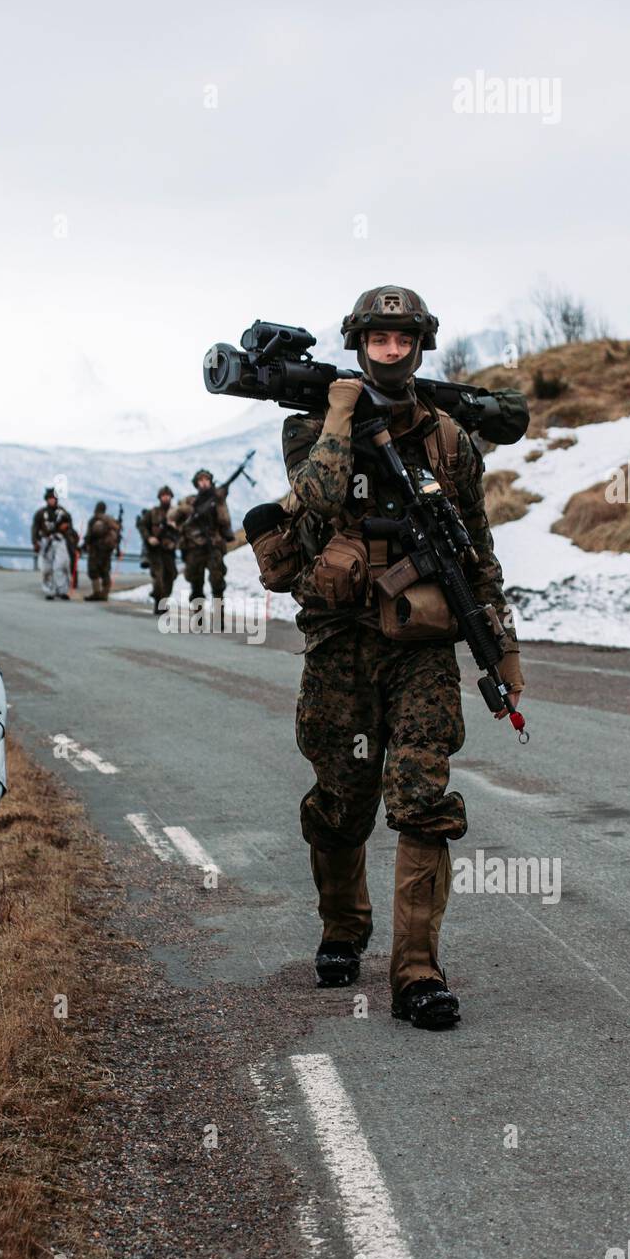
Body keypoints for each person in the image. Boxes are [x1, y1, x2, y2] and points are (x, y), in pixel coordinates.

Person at [282, 285, 524, 1029]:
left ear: (419, 345)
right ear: (358, 345)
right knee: (342, 797)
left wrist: (503, 648)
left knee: (422, 801)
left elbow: (477, 554)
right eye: (378, 339)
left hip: (420, 648)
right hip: (340, 641)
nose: (392, 350)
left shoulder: (450, 439)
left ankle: (417, 973)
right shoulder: (312, 428)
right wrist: (342, 415)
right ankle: (342, 931)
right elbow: (315, 505)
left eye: (403, 339)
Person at [170, 469, 234, 603]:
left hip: (213, 546)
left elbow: (225, 521)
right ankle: (198, 620)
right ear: (197, 483)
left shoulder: (217, 500)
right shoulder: (189, 500)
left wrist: (220, 502)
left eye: (207, 480)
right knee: (196, 585)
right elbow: (172, 516)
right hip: (194, 548)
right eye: (201, 480)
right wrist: (186, 509)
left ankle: (218, 620)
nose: (204, 483)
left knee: (217, 584)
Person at [137, 485, 179, 613]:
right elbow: (142, 525)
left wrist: (175, 527)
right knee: (158, 576)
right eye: (163, 496)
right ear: (160, 497)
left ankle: (162, 600)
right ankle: (159, 603)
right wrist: (149, 538)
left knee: (170, 576)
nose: (165, 498)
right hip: (155, 551)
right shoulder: (153, 512)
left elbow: (184, 528)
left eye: (168, 496)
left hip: (169, 551)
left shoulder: (176, 513)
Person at [31, 487, 77, 600]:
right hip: (46, 542)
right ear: (46, 499)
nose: (52, 500)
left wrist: (67, 530)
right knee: (47, 568)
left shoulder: (63, 513)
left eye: (53, 498)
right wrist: (35, 542)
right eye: (50, 498)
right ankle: (49, 591)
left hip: (60, 540)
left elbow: (70, 528)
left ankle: (63, 590)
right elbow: (35, 529)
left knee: (61, 565)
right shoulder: (41, 513)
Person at [81, 501, 121, 602]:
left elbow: (90, 535)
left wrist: (84, 546)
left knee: (93, 571)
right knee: (105, 571)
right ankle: (105, 593)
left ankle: (97, 593)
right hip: (107, 550)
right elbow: (118, 536)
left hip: (96, 549)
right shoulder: (111, 520)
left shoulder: (94, 519)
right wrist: (117, 549)